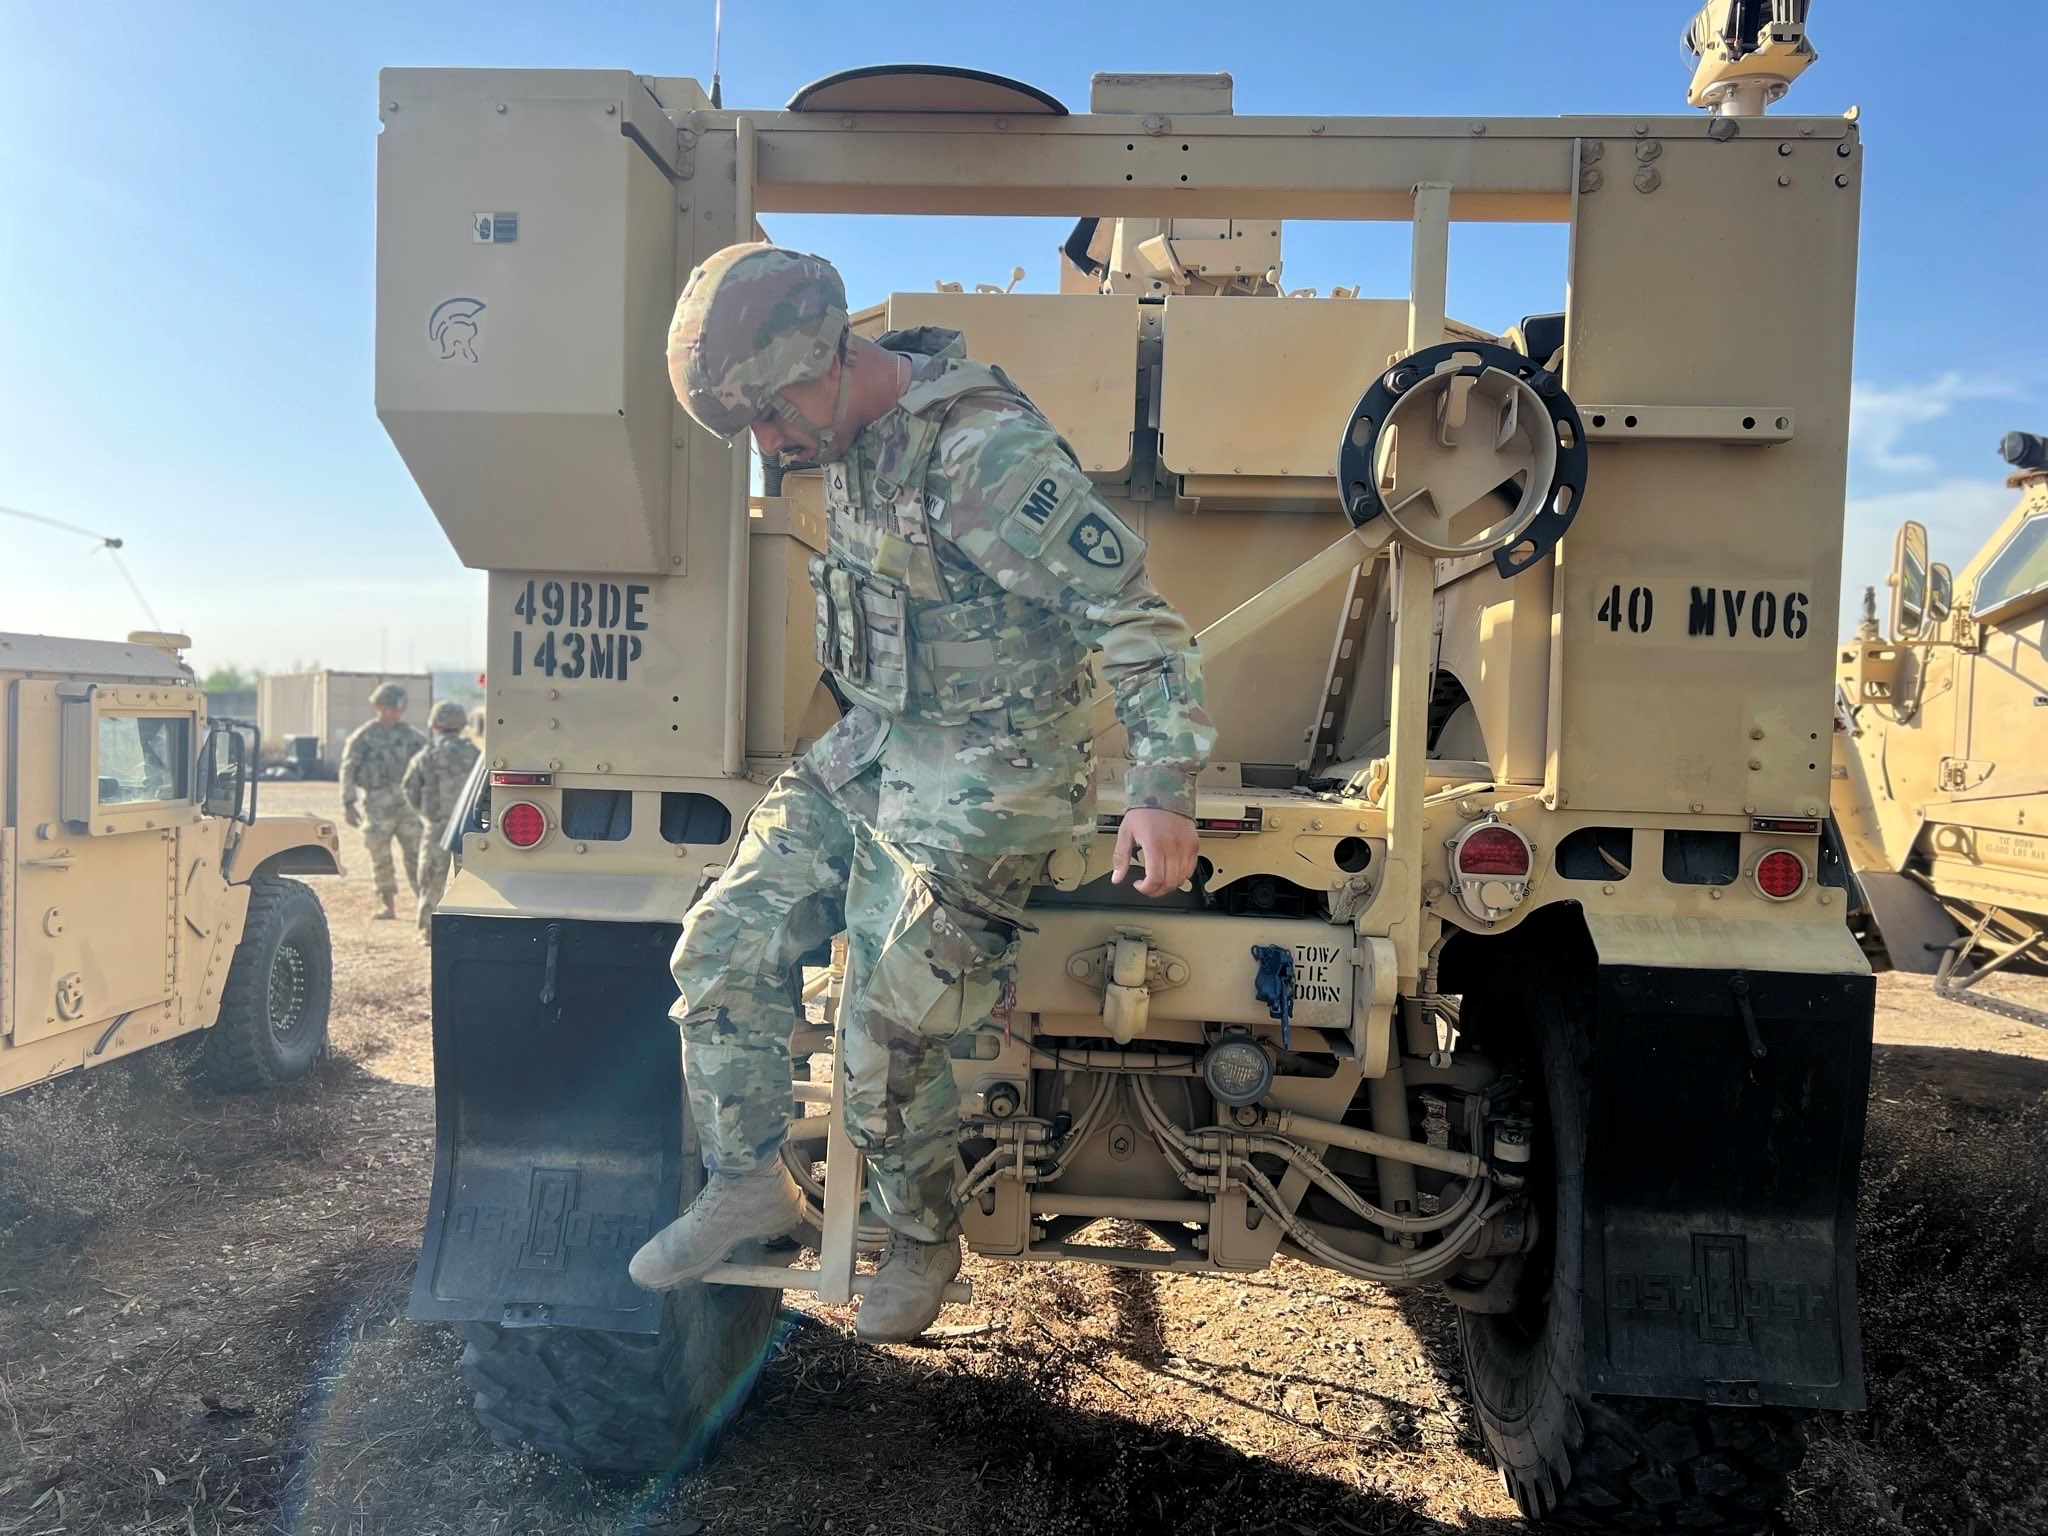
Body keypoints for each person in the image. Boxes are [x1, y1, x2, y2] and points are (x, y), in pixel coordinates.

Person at [628, 243, 1215, 1341]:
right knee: (719, 947)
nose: (771, 443)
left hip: (991, 771)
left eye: (772, 412)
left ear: (826, 356)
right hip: (878, 743)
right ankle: (747, 1179)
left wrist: (1161, 786)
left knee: (883, 1036)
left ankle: (919, 1233)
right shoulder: (845, 425)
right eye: (749, 425)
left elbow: (1135, 619)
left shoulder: (985, 453)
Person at [340, 683, 427, 921]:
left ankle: (427, 905)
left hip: (407, 808)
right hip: (377, 809)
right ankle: (388, 905)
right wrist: (348, 802)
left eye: (400, 708)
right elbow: (348, 769)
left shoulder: (411, 737)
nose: (397, 713)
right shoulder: (363, 737)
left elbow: (430, 762)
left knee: (417, 856)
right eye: (393, 708)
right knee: (380, 859)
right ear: (379, 706)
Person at [403, 698, 482, 943]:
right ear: (461, 725)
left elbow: (410, 789)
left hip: (436, 827)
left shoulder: (426, 756)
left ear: (435, 725)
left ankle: (429, 931)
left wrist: (426, 816)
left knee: (430, 878)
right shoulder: (476, 756)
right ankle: (468, 928)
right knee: (469, 879)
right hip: (467, 828)